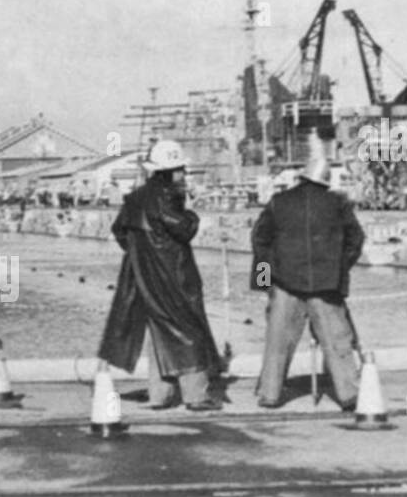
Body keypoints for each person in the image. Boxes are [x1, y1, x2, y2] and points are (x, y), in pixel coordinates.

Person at [98, 140, 223, 411]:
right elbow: (184, 229)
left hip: (142, 278)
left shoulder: (136, 198)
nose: (183, 175)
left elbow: (120, 231)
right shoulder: (169, 197)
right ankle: (196, 395)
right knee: (190, 330)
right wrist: (191, 214)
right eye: (180, 170)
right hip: (174, 277)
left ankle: (160, 395)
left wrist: (142, 255)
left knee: (160, 333)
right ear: (170, 171)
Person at [250, 139, 365, 410]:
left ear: (301, 177)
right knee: (338, 342)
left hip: (285, 284)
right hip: (326, 286)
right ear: (325, 182)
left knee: (277, 343)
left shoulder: (279, 202)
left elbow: (260, 241)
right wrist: (339, 268)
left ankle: (270, 394)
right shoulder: (338, 204)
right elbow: (356, 240)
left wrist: (265, 282)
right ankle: (348, 394)